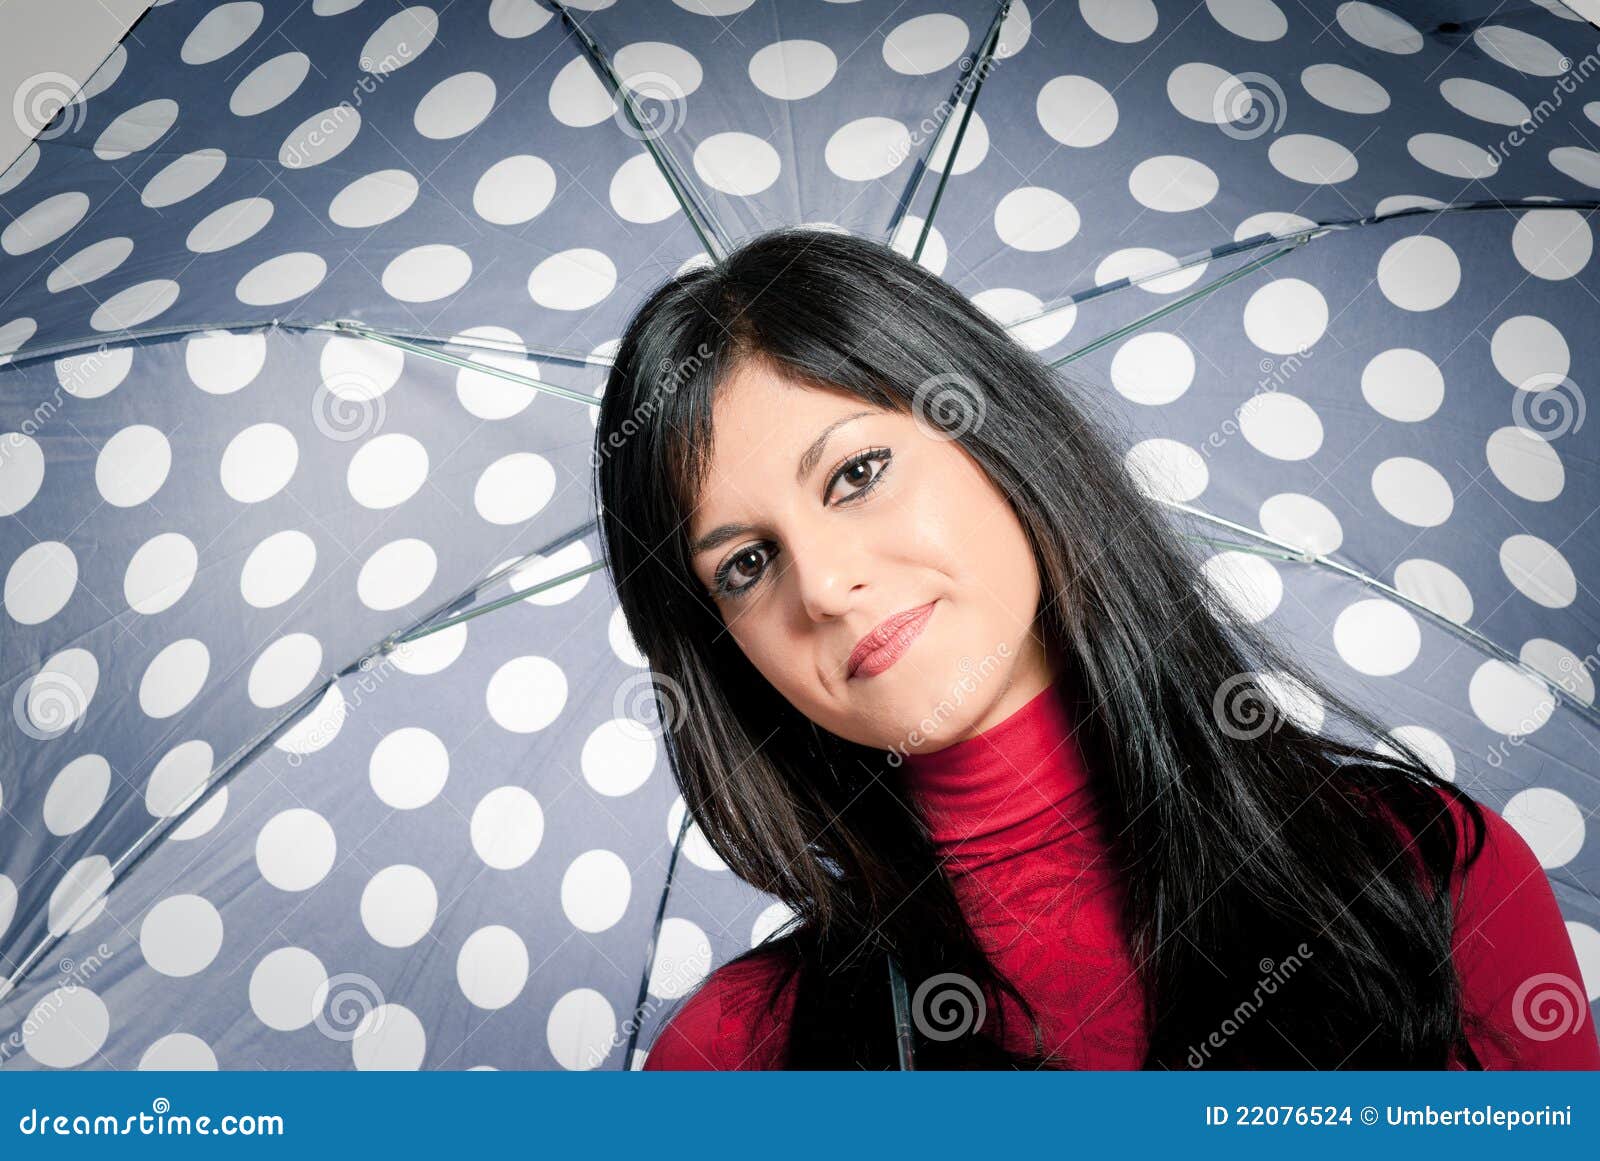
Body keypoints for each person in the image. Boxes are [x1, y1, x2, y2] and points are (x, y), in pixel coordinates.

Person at [591, 225, 1599, 1070]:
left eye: (855, 474)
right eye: (745, 564)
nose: (820, 585)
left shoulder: (1422, 876)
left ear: (994, 436)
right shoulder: (733, 1058)